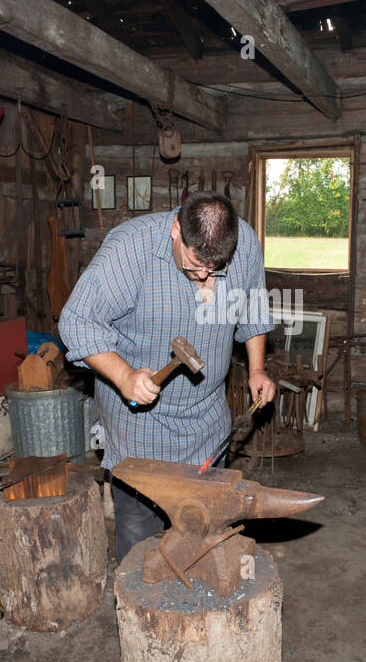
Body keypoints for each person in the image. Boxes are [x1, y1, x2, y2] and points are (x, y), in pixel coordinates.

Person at [58, 194, 277, 563]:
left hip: (206, 420)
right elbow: (76, 322)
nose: (205, 276)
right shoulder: (130, 249)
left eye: (215, 268)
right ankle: (141, 611)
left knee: (201, 524)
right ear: (176, 229)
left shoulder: (245, 243)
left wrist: (256, 369)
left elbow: (253, 306)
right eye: (195, 264)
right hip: (139, 425)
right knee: (140, 536)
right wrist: (124, 375)